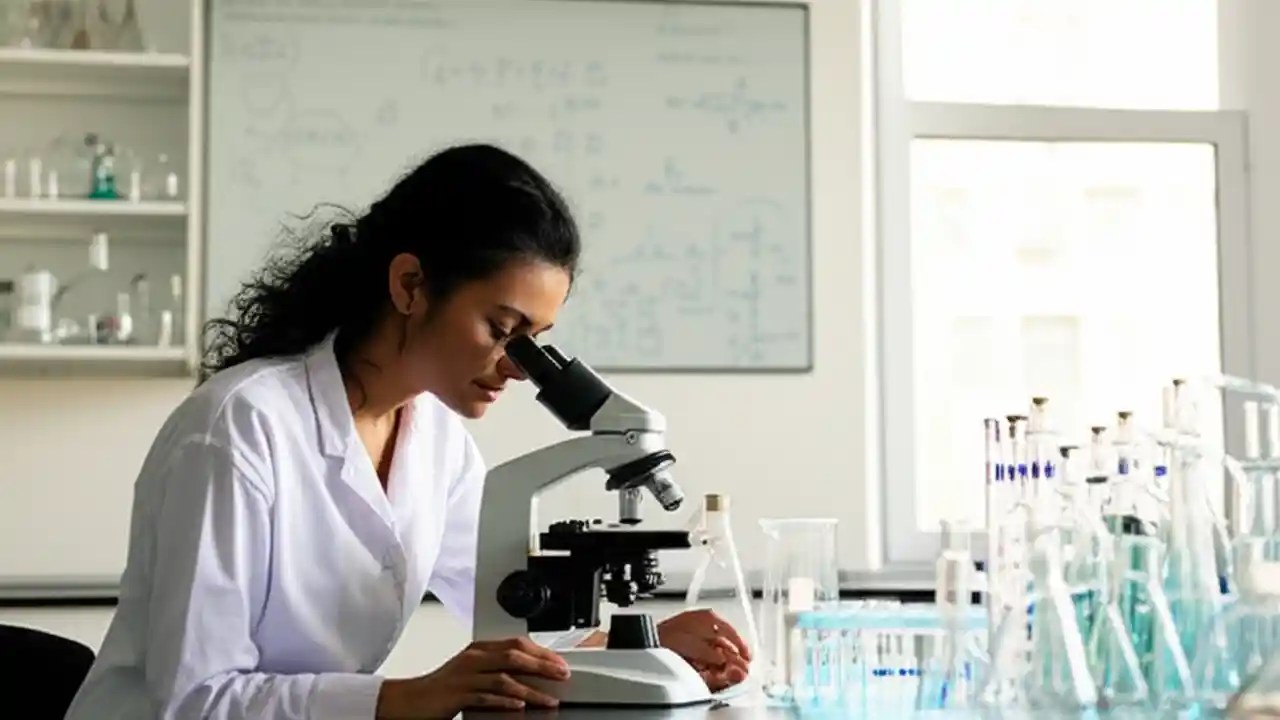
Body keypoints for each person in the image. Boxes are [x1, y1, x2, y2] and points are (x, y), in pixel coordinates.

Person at [64, 144, 750, 720]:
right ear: (411, 284)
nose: (518, 367)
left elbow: (516, 621)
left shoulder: (436, 444)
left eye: (537, 343)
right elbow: (196, 700)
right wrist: (409, 697)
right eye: (502, 330)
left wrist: (645, 644)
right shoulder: (240, 428)